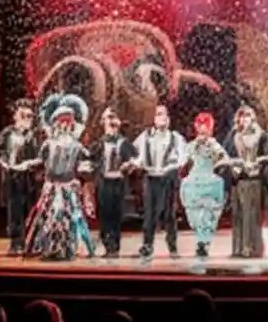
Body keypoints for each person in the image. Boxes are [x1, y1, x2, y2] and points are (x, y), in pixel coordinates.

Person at [25, 100, 91, 261]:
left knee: (69, 215)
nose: (64, 125)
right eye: (61, 122)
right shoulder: (49, 144)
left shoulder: (76, 146)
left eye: (68, 122)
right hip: (52, 185)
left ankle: (68, 247)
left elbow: (84, 162)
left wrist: (86, 168)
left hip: (68, 186)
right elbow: (41, 161)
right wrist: (28, 164)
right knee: (50, 215)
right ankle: (49, 247)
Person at [132, 104, 186, 258]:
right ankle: (147, 245)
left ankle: (172, 246)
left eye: (164, 115)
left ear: (168, 119)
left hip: (168, 177)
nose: (162, 118)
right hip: (151, 178)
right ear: (154, 119)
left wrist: (174, 167)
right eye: (158, 114)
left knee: (170, 213)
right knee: (149, 213)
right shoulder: (146, 136)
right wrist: (135, 164)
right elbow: (137, 154)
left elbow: (183, 157)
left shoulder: (175, 137)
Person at [223, 104, 268, 258]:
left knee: (251, 215)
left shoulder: (262, 135)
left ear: (253, 118)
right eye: (242, 116)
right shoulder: (233, 135)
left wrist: (256, 163)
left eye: (248, 115)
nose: (245, 119)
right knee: (237, 215)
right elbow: (225, 155)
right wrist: (233, 167)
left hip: (253, 179)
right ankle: (237, 248)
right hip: (238, 180)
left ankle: (252, 248)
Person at [180, 112, 229, 258]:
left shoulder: (214, 145)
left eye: (205, 126)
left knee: (207, 215)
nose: (203, 129)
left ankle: (203, 243)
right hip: (194, 182)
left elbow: (224, 158)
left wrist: (217, 164)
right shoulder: (191, 145)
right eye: (200, 126)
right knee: (194, 216)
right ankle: (201, 240)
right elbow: (183, 160)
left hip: (209, 181)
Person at [0, 98, 42, 256]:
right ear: (15, 116)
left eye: (30, 117)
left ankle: (29, 243)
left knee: (29, 209)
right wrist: (3, 163)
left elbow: (39, 156)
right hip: (12, 175)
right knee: (14, 210)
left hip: (28, 177)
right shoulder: (7, 133)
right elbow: (0, 152)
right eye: (24, 116)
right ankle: (15, 243)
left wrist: (29, 164)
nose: (27, 119)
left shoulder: (33, 135)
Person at [91, 107, 137, 257]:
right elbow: (91, 160)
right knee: (104, 214)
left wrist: (129, 165)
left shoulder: (123, 143)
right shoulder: (99, 143)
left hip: (118, 183)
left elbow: (135, 159)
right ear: (103, 123)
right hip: (104, 183)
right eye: (108, 119)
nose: (111, 122)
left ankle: (114, 246)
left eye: (114, 118)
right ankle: (107, 244)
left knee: (116, 215)